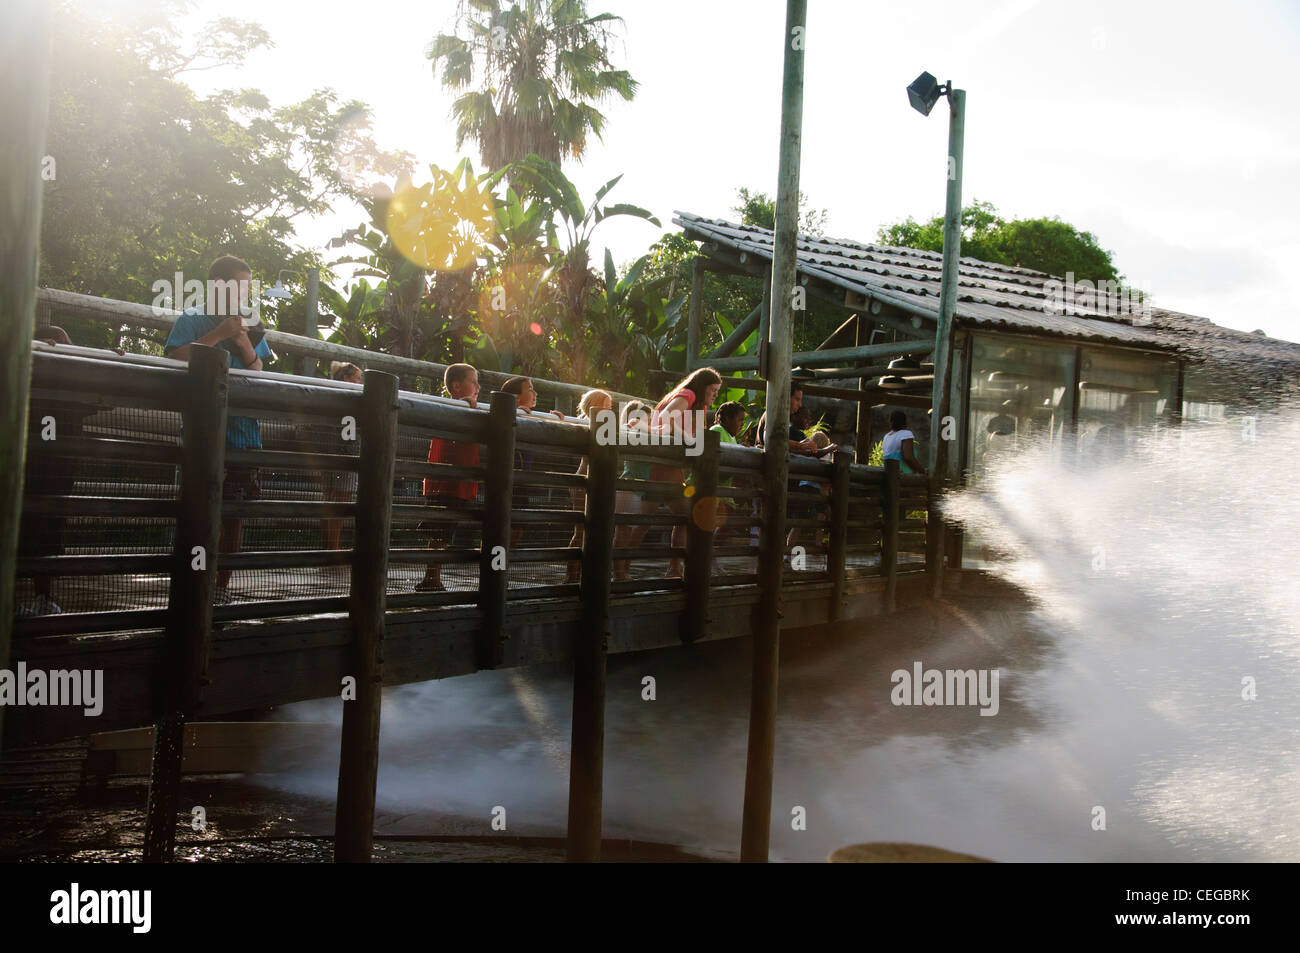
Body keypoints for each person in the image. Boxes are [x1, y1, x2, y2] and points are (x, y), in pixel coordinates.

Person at [164, 255, 274, 605]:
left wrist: (242, 344)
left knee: (234, 518)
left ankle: (222, 589)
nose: (244, 293)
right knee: (197, 513)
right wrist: (219, 334)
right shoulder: (192, 319)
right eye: (239, 285)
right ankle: (193, 584)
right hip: (201, 434)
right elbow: (173, 358)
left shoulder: (251, 323)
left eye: (246, 286)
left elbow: (259, 375)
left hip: (244, 438)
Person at [650, 367, 722, 578]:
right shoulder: (688, 395)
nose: (715, 395)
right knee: (684, 515)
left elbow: (699, 437)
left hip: (672, 465)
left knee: (681, 516)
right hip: (662, 463)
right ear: (703, 388)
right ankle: (672, 569)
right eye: (713, 390)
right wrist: (686, 437)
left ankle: (674, 568)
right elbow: (664, 418)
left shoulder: (698, 407)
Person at [415, 363, 480, 592]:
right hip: (445, 481)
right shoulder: (448, 407)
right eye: (473, 381)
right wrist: (467, 407)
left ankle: (432, 577)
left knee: (444, 531)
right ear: (457, 385)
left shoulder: (470, 408)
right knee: (439, 531)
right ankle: (431, 577)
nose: (478, 387)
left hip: (460, 481)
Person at [500, 376, 566, 552]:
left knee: (518, 526)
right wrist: (516, 412)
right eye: (529, 389)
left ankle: (503, 567)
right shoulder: (506, 414)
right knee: (502, 526)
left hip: (523, 481)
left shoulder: (531, 416)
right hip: (506, 479)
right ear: (516, 396)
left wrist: (554, 420)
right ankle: (495, 569)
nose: (535, 393)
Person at [565, 389, 613, 583]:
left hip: (601, 478)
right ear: (594, 405)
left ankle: (589, 574)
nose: (609, 410)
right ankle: (571, 575)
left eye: (610, 406)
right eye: (606, 406)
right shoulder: (584, 422)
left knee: (597, 528)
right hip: (583, 478)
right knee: (580, 529)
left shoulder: (605, 425)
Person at [321, 362, 363, 560]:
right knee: (339, 500)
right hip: (345, 458)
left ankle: (330, 547)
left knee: (330, 500)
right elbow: (349, 434)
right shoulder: (349, 401)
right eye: (357, 378)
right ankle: (333, 548)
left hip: (332, 456)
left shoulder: (330, 397)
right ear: (346, 379)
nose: (360, 382)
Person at [613, 400, 657, 581]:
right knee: (622, 533)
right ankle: (618, 574)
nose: (648, 422)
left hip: (640, 488)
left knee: (631, 534)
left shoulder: (649, 435)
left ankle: (624, 572)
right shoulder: (630, 430)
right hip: (628, 486)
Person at [881, 409, 927, 476]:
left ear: (890, 422)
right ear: (905, 422)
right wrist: (922, 471)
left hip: (887, 472)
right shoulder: (905, 434)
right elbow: (908, 458)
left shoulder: (886, 436)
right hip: (901, 474)